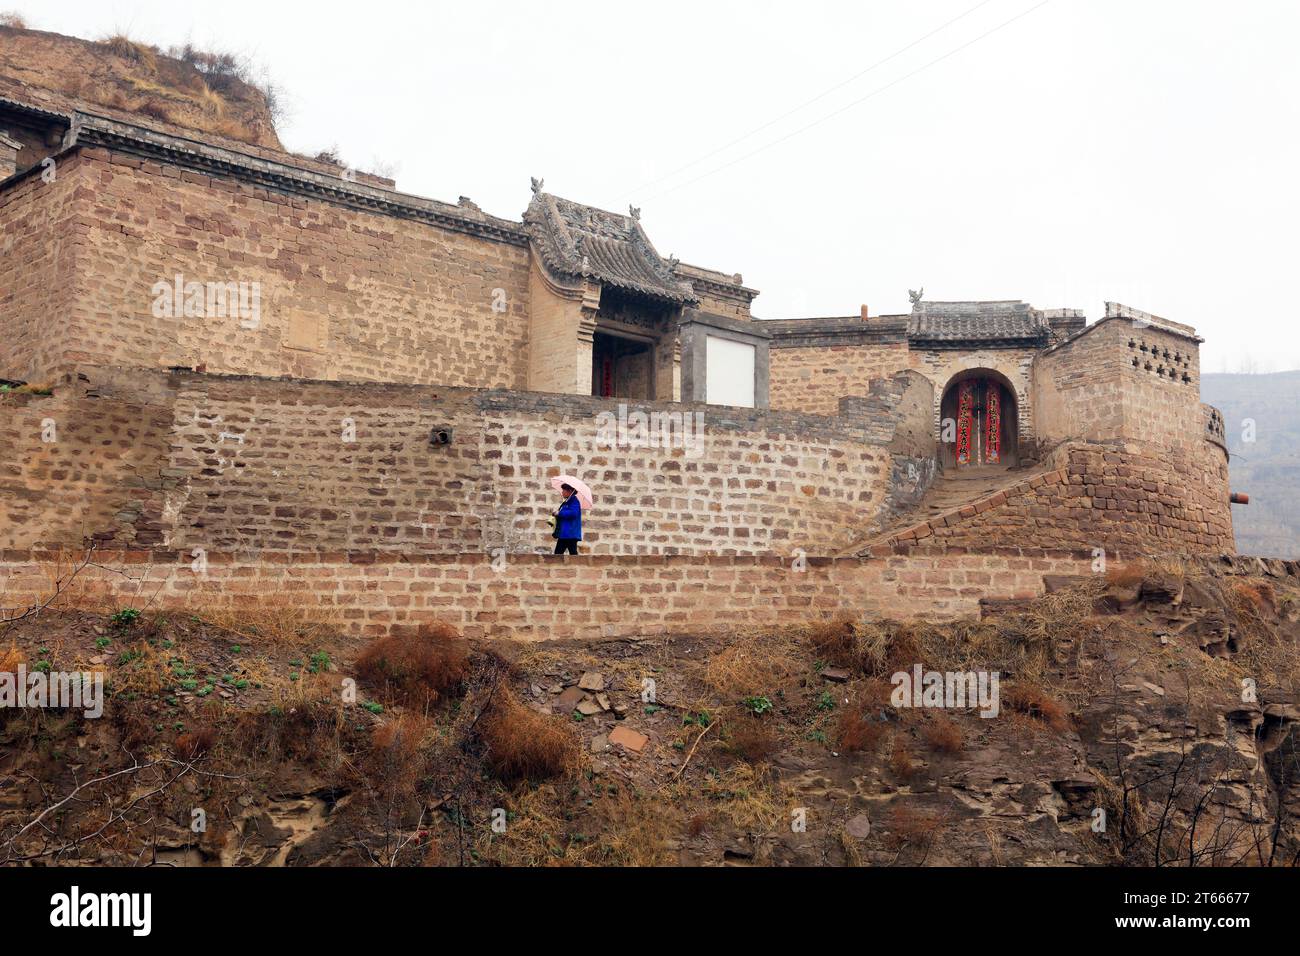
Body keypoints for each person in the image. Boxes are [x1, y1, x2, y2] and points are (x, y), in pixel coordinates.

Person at [552, 483, 582, 555]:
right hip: (564, 534)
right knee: (558, 554)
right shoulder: (566, 502)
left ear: (570, 491)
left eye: (563, 490)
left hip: (570, 533)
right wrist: (556, 514)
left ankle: (576, 566)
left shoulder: (574, 501)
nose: (562, 492)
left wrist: (559, 513)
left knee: (573, 554)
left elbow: (573, 513)